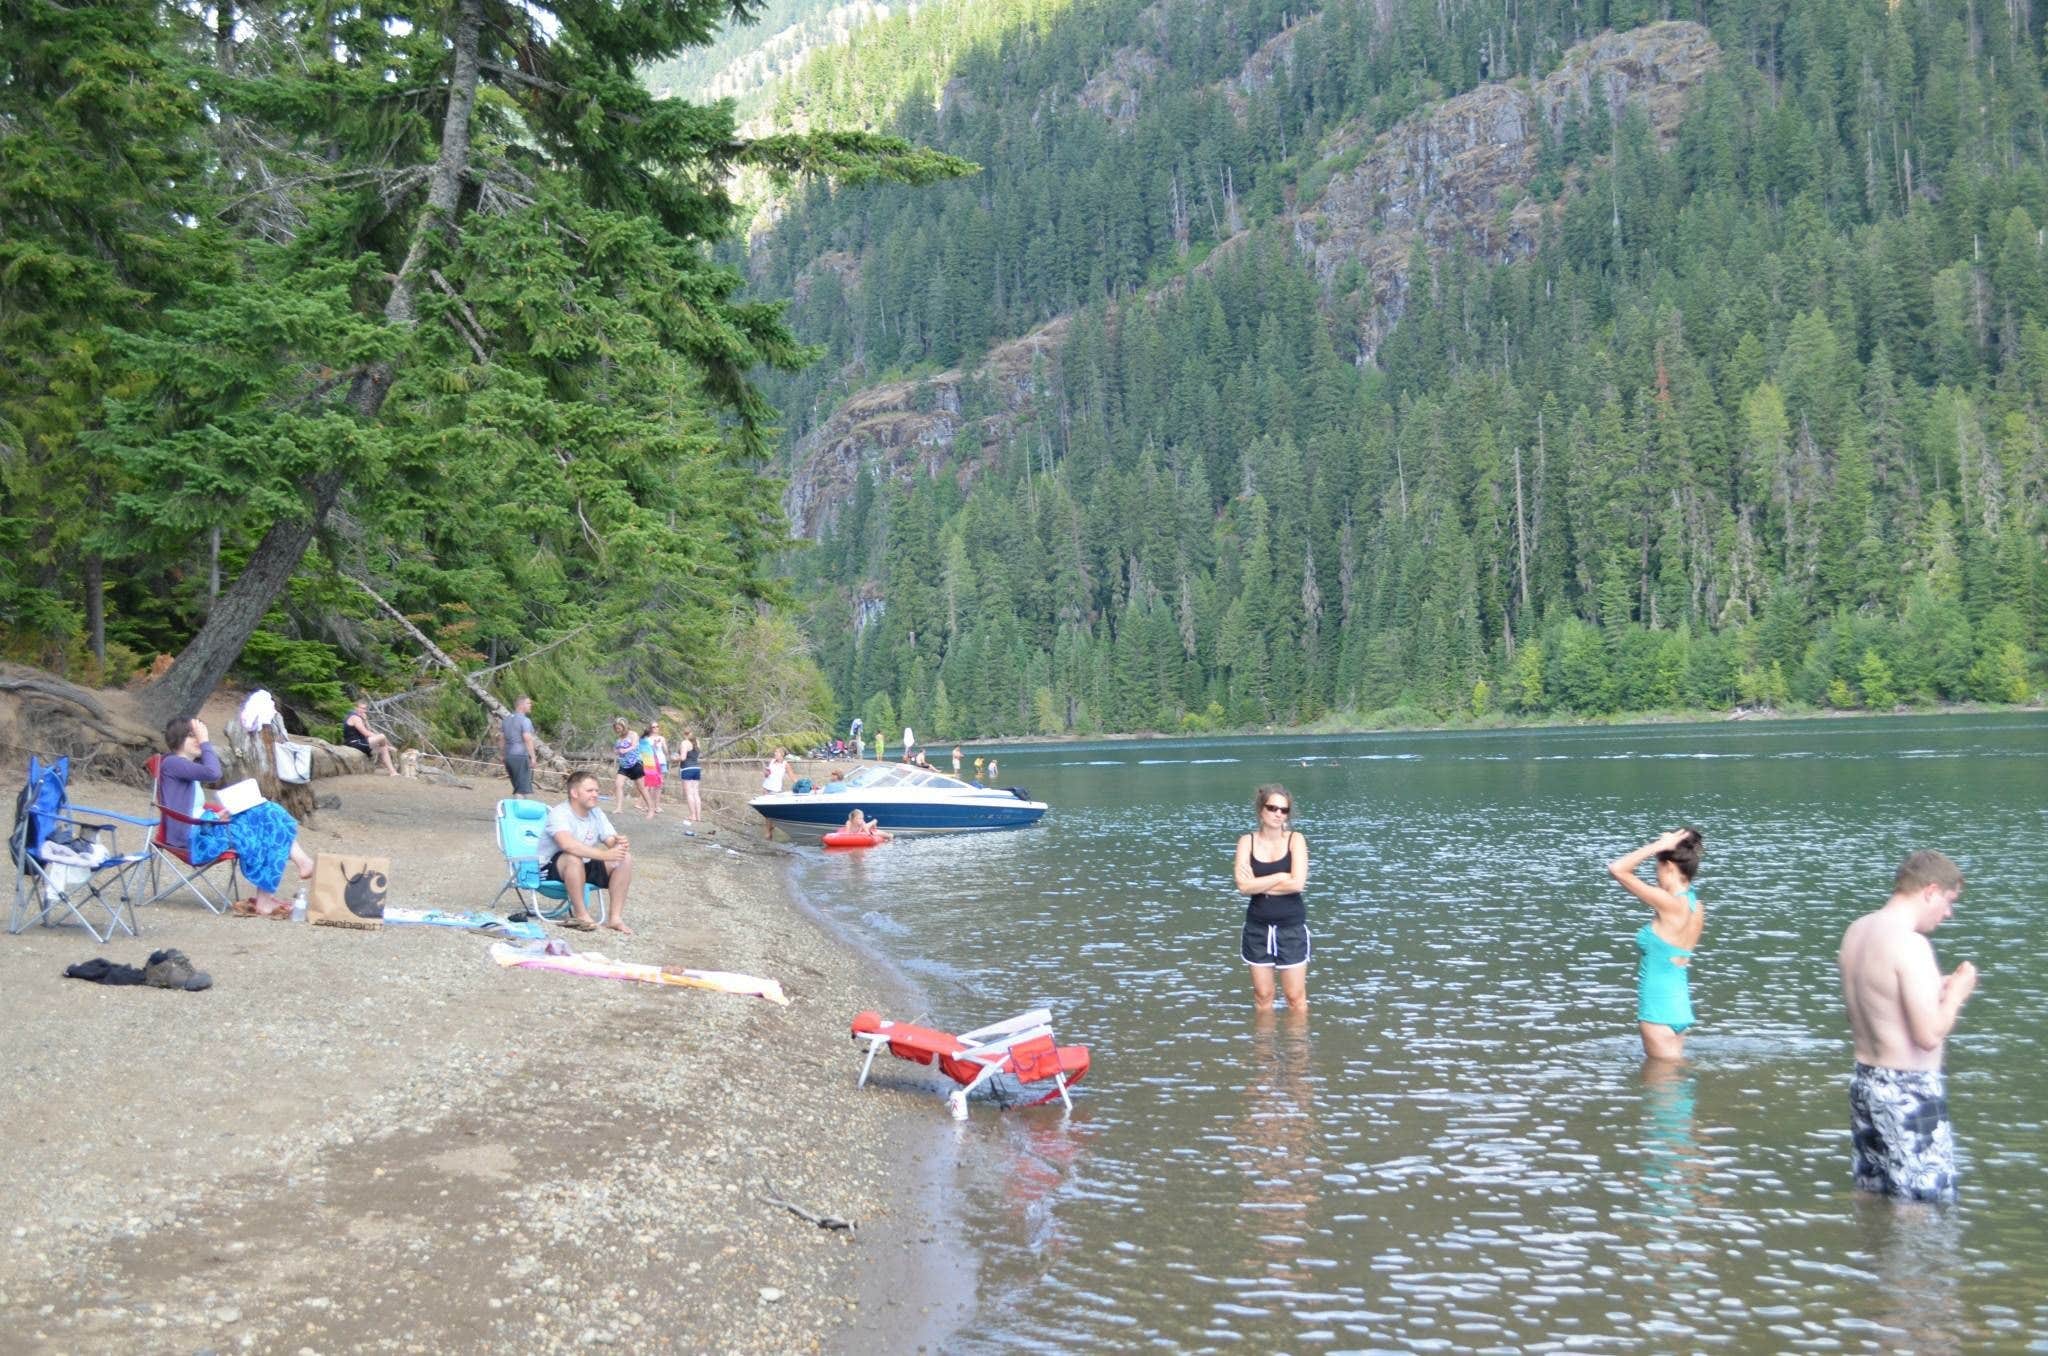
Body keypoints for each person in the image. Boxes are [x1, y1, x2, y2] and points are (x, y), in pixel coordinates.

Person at [1838, 850, 1977, 1204]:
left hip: (1867, 1082)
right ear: (1930, 890)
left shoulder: (1858, 931)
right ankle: (1913, 1260)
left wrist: (1936, 989)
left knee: (1874, 1194)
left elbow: (1876, 1006)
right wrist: (1958, 993)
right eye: (1948, 901)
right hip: (1909, 1090)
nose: (1949, 912)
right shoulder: (1910, 943)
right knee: (1920, 1204)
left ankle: (1871, 1257)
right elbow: (1928, 1036)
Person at [159, 717, 315, 919]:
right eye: (192, 736)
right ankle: (282, 882)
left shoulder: (183, 767)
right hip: (195, 839)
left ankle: (293, 870)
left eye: (198, 735)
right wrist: (206, 741)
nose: (198, 740)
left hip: (204, 826)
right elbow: (213, 773)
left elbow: (190, 807)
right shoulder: (172, 763)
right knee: (266, 824)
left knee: (267, 811)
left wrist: (216, 814)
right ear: (177, 739)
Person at [1606, 827, 1705, 1061]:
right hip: (1680, 1006)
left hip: (1658, 1009)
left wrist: (1657, 847)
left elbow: (1617, 869)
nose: (1655, 876)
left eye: (1657, 869)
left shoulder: (1669, 903)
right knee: (1673, 1083)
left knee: (1660, 1087)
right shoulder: (1696, 907)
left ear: (1669, 867)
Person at [1233, 783, 1310, 1012]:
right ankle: (1264, 1048)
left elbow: (1297, 883)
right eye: (1272, 808)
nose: (1278, 814)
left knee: (1295, 998)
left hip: (1291, 927)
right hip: (1257, 928)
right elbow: (1243, 887)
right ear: (1261, 810)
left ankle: (1297, 1047)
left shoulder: (1295, 839)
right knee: (1263, 996)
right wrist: (1279, 875)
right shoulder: (1246, 841)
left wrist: (1259, 884)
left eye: (1283, 810)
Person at [544, 770, 633, 935]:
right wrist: (605, 855)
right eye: (590, 791)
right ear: (574, 793)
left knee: (624, 858)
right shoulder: (559, 813)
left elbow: (610, 840)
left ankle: (615, 918)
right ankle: (581, 915)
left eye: (597, 791)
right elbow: (567, 844)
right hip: (553, 869)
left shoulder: (596, 813)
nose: (595, 794)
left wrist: (619, 842)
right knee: (573, 857)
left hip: (584, 864)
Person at [343, 699, 399, 776]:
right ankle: (391, 766)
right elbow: (365, 733)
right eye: (361, 708)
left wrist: (365, 720)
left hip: (361, 742)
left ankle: (392, 771)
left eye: (365, 708)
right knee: (382, 737)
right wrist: (378, 737)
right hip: (355, 743)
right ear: (356, 708)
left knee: (384, 748)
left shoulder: (359, 717)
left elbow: (368, 730)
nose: (363, 710)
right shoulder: (355, 718)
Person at [612, 718, 653, 817]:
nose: (618, 730)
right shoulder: (619, 739)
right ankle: (618, 808)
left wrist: (625, 750)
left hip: (635, 763)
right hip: (623, 766)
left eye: (619, 728)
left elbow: (634, 746)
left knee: (641, 788)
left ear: (624, 726)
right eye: (616, 728)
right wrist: (617, 751)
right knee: (618, 784)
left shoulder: (633, 734)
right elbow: (615, 749)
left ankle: (651, 809)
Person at [499, 696, 538, 795]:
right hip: (520, 756)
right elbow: (527, 738)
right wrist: (533, 757)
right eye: (528, 703)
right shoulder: (525, 721)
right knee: (522, 789)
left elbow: (502, 739)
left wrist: (503, 755)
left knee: (517, 787)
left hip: (509, 757)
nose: (530, 706)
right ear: (521, 705)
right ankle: (519, 809)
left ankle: (518, 807)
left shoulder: (506, 720)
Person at [675, 727, 703, 835]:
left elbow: (682, 757)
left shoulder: (684, 743)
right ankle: (698, 816)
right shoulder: (697, 742)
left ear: (684, 734)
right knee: (696, 792)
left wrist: (674, 758)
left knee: (689, 793)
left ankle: (692, 815)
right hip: (696, 768)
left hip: (687, 768)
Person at [640, 723, 665, 819]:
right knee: (650, 785)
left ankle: (650, 806)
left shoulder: (642, 740)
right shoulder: (646, 740)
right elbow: (649, 751)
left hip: (649, 763)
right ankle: (649, 806)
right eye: (653, 727)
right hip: (650, 764)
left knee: (651, 785)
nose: (655, 729)